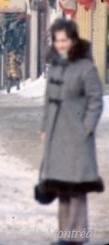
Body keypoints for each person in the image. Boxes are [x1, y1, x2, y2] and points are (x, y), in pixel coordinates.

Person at [39, 19, 104, 245]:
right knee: (61, 187)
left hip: (77, 136)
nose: (60, 45)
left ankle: (74, 235)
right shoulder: (56, 66)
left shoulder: (85, 67)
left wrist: (87, 126)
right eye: (57, 40)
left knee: (77, 188)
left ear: (73, 39)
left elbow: (96, 100)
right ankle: (66, 234)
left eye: (64, 40)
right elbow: (48, 101)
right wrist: (44, 128)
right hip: (57, 135)